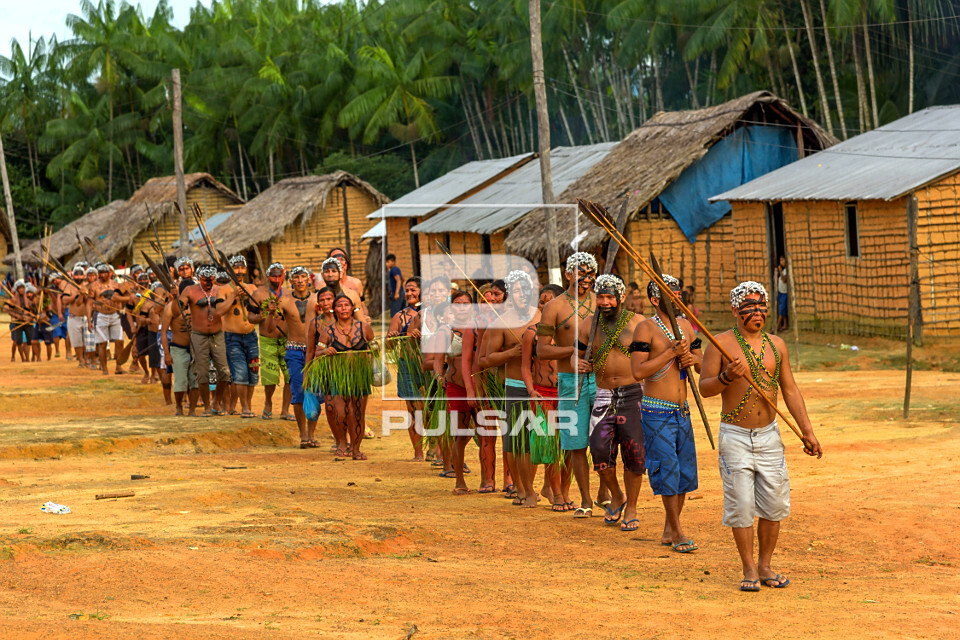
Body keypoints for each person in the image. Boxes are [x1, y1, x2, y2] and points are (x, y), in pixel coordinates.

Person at [699, 281, 822, 592]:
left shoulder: (776, 345)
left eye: (761, 306)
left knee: (773, 504)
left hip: (769, 436)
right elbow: (704, 388)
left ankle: (766, 563)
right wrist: (727, 376)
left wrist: (807, 431)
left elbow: (790, 389)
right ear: (735, 311)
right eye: (749, 307)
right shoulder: (720, 344)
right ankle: (749, 567)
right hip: (735, 435)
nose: (757, 312)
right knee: (741, 503)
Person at [630, 274, 701, 548]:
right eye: (670, 293)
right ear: (655, 299)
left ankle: (670, 529)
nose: (677, 297)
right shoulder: (645, 328)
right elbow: (638, 371)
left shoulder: (686, 326)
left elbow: (701, 363)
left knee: (683, 472)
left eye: (678, 292)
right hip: (656, 412)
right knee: (668, 470)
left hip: (682, 411)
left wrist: (691, 357)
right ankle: (678, 532)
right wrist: (670, 353)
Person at [536, 252, 604, 517]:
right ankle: (585, 500)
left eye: (590, 274)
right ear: (567, 274)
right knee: (576, 443)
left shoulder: (603, 304)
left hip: (600, 380)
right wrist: (571, 353)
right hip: (569, 382)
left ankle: (604, 492)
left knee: (604, 439)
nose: (585, 279)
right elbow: (542, 351)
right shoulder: (554, 307)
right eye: (580, 272)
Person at [576, 274, 645, 528]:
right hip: (603, 394)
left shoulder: (639, 323)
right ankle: (617, 495)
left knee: (634, 453)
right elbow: (577, 354)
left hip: (633, 393)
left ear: (621, 298)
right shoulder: (587, 325)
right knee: (599, 451)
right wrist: (580, 363)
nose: (604, 302)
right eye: (600, 296)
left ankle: (633, 507)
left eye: (609, 297)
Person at [483, 270, 540, 506]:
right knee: (516, 443)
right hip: (515, 387)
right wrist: (511, 353)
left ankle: (530, 486)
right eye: (516, 290)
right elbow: (486, 359)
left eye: (525, 290)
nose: (521, 295)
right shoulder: (501, 322)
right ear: (509, 295)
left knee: (536, 441)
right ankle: (523, 489)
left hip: (541, 388)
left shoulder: (541, 316)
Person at [522, 283, 569, 511]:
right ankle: (545, 492)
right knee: (545, 443)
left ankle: (558, 490)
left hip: (566, 393)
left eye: (549, 300)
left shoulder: (572, 332)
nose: (544, 305)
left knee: (564, 445)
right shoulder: (532, 333)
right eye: (542, 301)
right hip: (542, 394)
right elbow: (525, 367)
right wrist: (532, 391)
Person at [316, 294, 375, 459]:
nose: (343, 308)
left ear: (352, 308)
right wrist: (325, 351)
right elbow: (317, 352)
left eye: (346, 305)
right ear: (334, 309)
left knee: (357, 414)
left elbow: (374, 344)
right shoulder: (328, 331)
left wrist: (373, 351)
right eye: (340, 305)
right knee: (341, 413)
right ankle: (342, 442)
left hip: (359, 376)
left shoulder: (364, 327)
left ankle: (356, 449)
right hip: (338, 377)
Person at [264, 266, 317, 447]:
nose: (300, 280)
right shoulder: (284, 301)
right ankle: (303, 434)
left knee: (315, 392)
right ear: (291, 281)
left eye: (303, 277)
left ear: (309, 279)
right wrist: (271, 312)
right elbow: (271, 328)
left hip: (316, 351)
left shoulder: (318, 300)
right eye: (296, 277)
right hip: (294, 351)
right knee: (299, 391)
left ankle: (312, 433)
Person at [179, 264, 237, 416]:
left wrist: (235, 295)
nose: (209, 283)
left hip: (217, 335)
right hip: (199, 335)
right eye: (205, 280)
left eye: (212, 279)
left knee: (224, 372)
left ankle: (216, 401)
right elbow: (180, 305)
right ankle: (206, 406)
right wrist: (177, 299)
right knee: (202, 373)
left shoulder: (220, 290)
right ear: (199, 278)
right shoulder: (190, 290)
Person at [386, 277, 427, 461]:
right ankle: (418, 451)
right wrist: (393, 338)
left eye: (413, 290)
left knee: (430, 408)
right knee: (413, 409)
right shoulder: (399, 316)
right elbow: (388, 348)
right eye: (407, 290)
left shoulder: (433, 314)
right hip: (407, 366)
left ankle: (436, 448)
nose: (409, 293)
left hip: (428, 367)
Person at [223, 255, 261, 418]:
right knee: (240, 373)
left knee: (253, 373)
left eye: (241, 267)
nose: (239, 270)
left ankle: (248, 406)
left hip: (251, 336)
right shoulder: (223, 289)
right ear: (229, 270)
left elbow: (261, 308)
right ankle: (244, 407)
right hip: (233, 338)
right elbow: (218, 312)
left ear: (245, 269)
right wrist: (233, 296)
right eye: (235, 267)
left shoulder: (252, 288)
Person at [254, 263, 293, 421]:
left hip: (286, 340)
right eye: (273, 276)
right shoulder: (259, 294)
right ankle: (268, 403)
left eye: (279, 276)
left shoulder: (289, 294)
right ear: (268, 276)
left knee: (290, 375)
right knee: (270, 376)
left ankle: (285, 409)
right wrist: (265, 314)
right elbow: (250, 318)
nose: (276, 279)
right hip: (267, 340)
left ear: (284, 277)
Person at [161, 280, 199, 416]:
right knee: (181, 381)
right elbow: (164, 332)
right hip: (178, 348)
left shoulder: (197, 305)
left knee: (195, 381)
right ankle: (178, 407)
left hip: (195, 348)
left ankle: (193, 409)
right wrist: (167, 353)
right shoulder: (170, 308)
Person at [90, 263, 133, 375]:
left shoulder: (116, 284)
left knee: (119, 341)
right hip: (100, 315)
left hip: (115, 315)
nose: (103, 275)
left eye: (105, 273)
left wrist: (127, 288)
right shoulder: (94, 286)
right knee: (102, 343)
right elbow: (89, 303)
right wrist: (89, 317)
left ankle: (118, 367)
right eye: (101, 273)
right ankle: (104, 368)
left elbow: (124, 297)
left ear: (110, 274)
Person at [776, 257, 789, 333]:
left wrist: (780, 271)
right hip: (780, 291)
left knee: (781, 310)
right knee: (782, 309)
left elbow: (784, 280)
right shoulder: (783, 270)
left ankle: (777, 327)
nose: (781, 262)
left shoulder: (786, 270)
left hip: (784, 292)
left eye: (783, 260)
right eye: (780, 260)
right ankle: (785, 325)